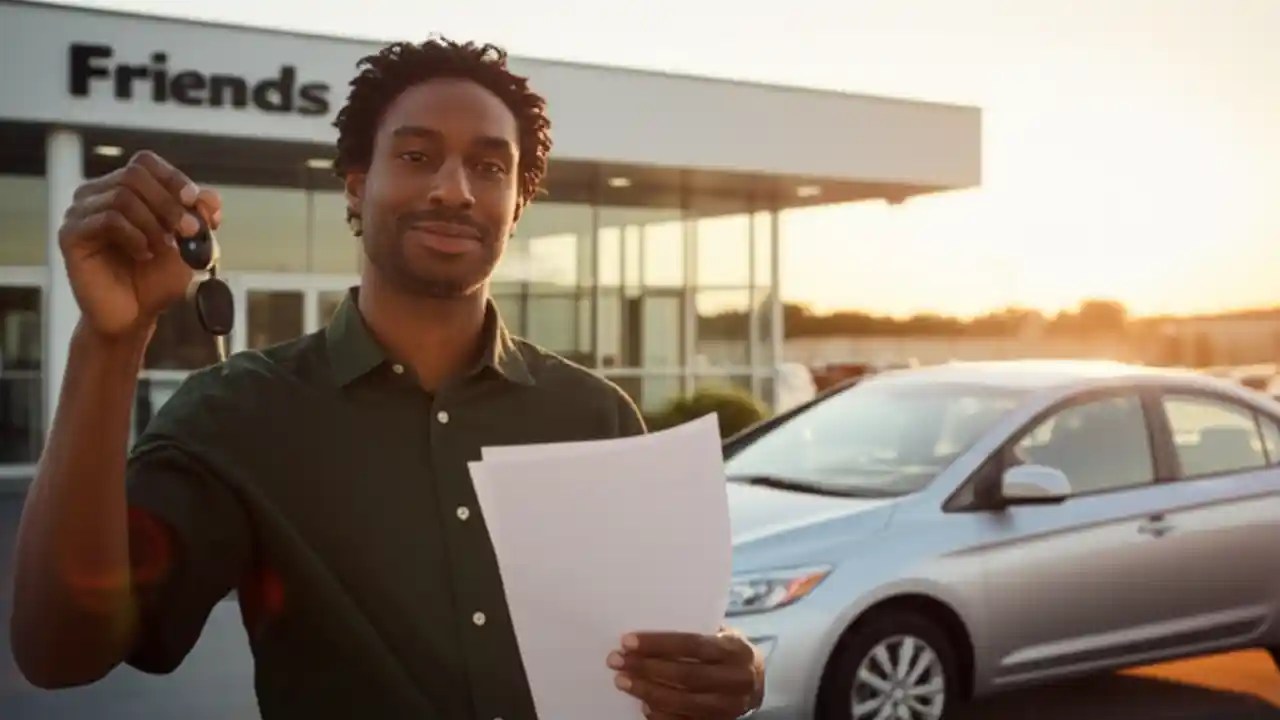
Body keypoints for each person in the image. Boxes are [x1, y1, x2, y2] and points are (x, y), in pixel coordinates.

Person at [10, 37, 764, 719]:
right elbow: (60, 655)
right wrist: (111, 341)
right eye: (415, 156)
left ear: (516, 204)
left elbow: (650, 648)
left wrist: (731, 668)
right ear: (354, 185)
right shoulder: (240, 414)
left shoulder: (596, 417)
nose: (454, 189)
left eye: (490, 167)